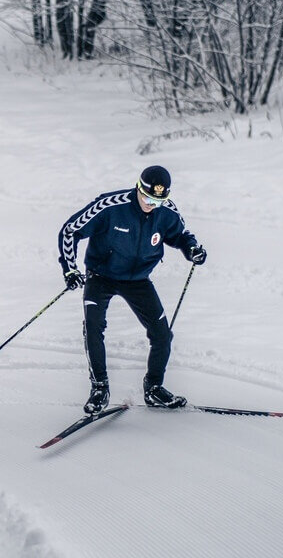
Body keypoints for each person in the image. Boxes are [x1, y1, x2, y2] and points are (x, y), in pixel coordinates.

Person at [58, 165, 206, 414]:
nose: (152, 204)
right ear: (138, 187)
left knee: (162, 335)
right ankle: (100, 388)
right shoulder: (110, 206)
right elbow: (70, 231)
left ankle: (154, 388)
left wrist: (192, 249)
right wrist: (70, 269)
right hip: (101, 274)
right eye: (148, 197)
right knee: (94, 327)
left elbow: (180, 235)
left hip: (137, 279)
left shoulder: (166, 211)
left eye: (159, 200)